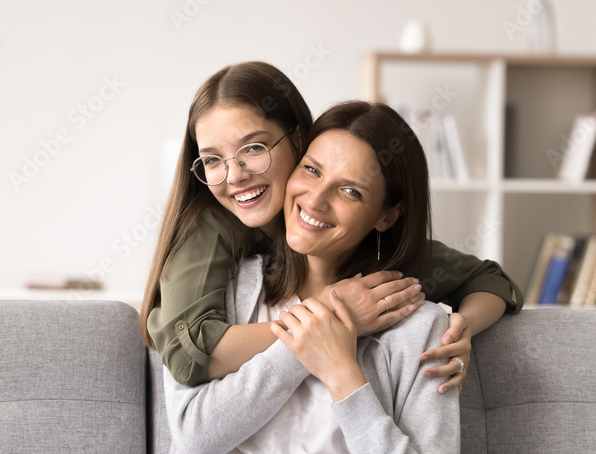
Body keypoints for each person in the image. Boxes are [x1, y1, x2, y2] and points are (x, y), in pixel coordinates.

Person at [134, 101, 479, 454]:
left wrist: (343, 374)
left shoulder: (422, 326)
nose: (315, 200)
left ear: (387, 215)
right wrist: (307, 339)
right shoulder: (218, 295)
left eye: (350, 191)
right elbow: (197, 439)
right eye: (312, 170)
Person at [136, 61, 521, 395]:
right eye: (212, 159)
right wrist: (332, 315)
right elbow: (186, 356)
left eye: (253, 148)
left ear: (298, 140)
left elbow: (490, 280)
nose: (234, 175)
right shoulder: (212, 225)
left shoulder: (369, 245)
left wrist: (461, 328)